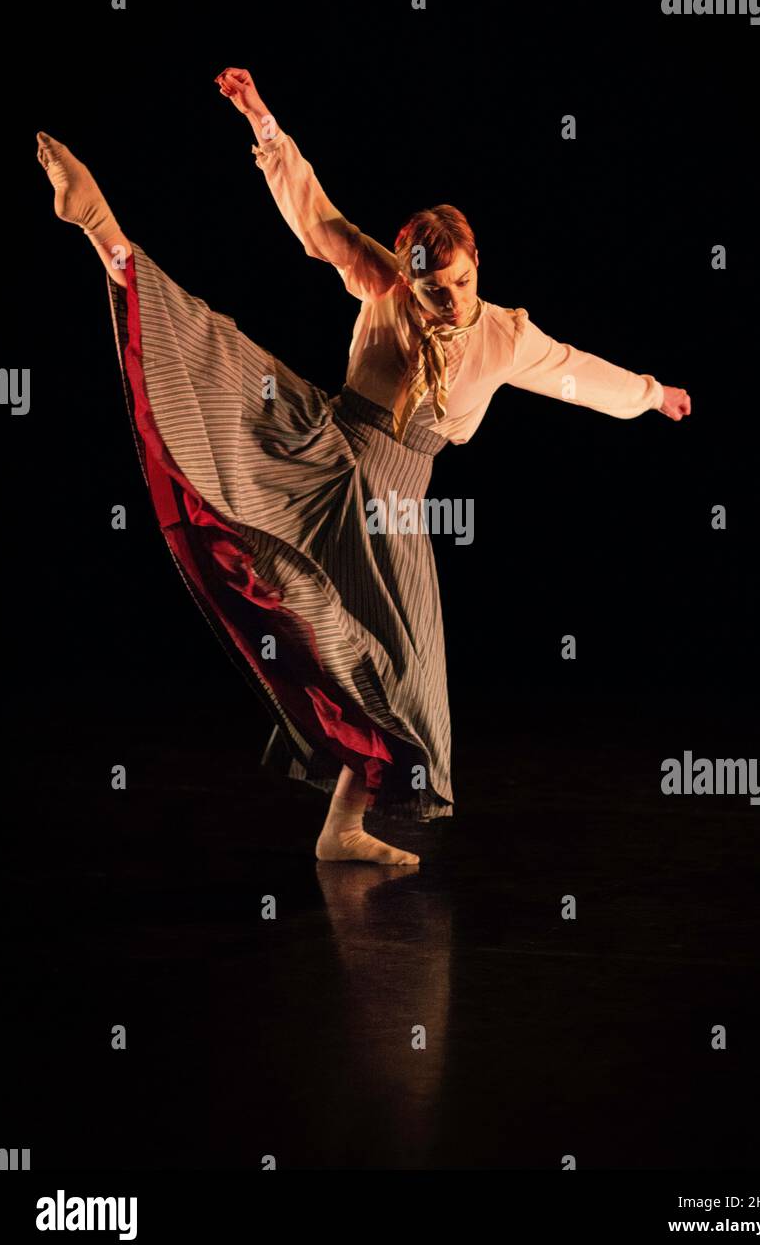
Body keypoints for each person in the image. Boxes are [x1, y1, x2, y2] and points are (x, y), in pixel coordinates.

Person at [36, 66, 691, 867]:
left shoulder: (506, 338)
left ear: (475, 263)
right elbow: (316, 220)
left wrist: (652, 393)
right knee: (207, 347)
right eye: (428, 287)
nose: (442, 301)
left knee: (401, 673)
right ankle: (104, 230)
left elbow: (576, 372)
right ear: (407, 269)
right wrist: (264, 124)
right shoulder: (384, 282)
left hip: (400, 506)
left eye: (454, 284)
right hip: (327, 453)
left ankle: (341, 827)